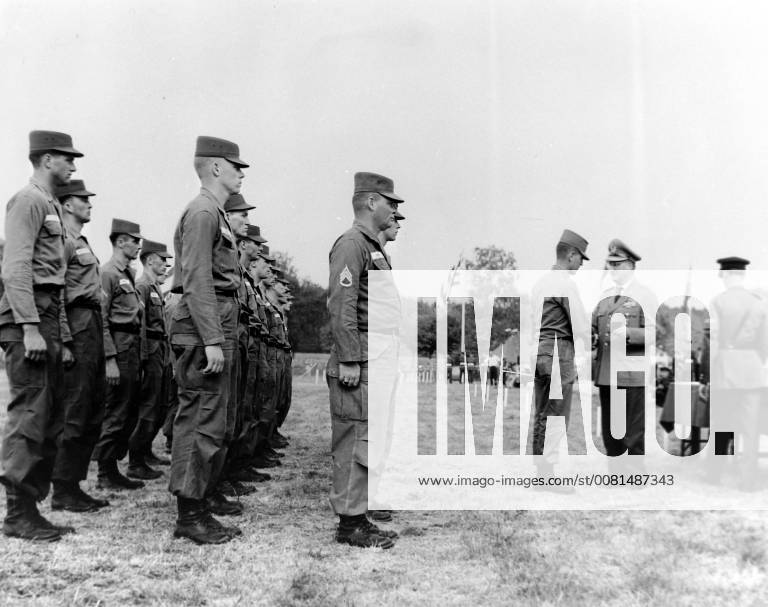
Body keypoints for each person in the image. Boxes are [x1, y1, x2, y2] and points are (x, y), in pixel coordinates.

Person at [0, 130, 82, 541]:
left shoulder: (49, 204)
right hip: (27, 319)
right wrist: (29, 327)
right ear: (47, 159)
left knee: (49, 416)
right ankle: (17, 513)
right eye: (67, 158)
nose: (73, 166)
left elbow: (59, 281)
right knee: (31, 413)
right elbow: (14, 269)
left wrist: (61, 336)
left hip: (47, 316)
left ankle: (30, 508)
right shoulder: (28, 201)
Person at [168, 135, 247, 545]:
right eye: (236, 166)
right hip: (204, 327)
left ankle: (199, 501)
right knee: (200, 418)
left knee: (213, 419)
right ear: (216, 167)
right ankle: (190, 513)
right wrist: (212, 339)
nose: (241, 173)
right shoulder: (203, 212)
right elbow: (197, 278)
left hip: (215, 320)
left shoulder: (212, 211)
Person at [326, 171, 402, 549]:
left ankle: (359, 515)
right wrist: (350, 359)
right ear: (371, 201)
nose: (393, 209)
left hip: (378, 353)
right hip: (363, 357)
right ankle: (350, 524)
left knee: (369, 436)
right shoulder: (352, 244)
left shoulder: (372, 245)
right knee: (356, 436)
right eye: (390, 201)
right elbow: (342, 306)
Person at [51, 179, 109, 512]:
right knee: (75, 408)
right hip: (76, 323)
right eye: (83, 199)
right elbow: (57, 293)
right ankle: (62, 489)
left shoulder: (83, 241)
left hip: (92, 324)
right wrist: (65, 339)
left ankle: (73, 484)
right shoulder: (65, 242)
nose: (89, 204)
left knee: (92, 407)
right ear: (67, 204)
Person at [699, 257, 768, 488]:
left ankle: (715, 473)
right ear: (743, 275)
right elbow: (764, 344)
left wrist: (706, 375)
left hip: (725, 370)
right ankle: (748, 480)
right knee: (750, 428)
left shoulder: (717, 302)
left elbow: (712, 342)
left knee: (722, 425)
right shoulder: (759, 303)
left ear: (726, 276)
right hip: (752, 372)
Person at [529, 229, 589, 481]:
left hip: (540, 349)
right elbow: (580, 324)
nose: (580, 264)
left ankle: (542, 471)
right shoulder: (565, 283)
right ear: (571, 255)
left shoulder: (541, 282)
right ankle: (547, 475)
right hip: (559, 350)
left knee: (542, 412)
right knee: (557, 414)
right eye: (580, 259)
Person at [92, 218, 145, 489]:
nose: (138, 245)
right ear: (121, 241)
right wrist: (110, 359)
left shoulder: (128, 275)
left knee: (129, 411)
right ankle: (104, 472)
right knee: (116, 410)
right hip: (119, 346)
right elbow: (101, 318)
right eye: (135, 240)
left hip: (133, 347)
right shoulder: (108, 273)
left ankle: (112, 467)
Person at [592, 239, 656, 457]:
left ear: (630, 265)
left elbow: (654, 332)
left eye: (617, 264)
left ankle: (635, 474)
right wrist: (591, 337)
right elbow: (594, 328)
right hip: (607, 372)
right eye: (610, 264)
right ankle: (616, 472)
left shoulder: (644, 295)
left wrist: (629, 334)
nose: (613, 269)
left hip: (631, 373)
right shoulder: (604, 297)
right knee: (611, 429)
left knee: (633, 429)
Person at [132, 239, 173, 476]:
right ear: (149, 260)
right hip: (151, 349)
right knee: (148, 406)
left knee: (158, 405)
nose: (166, 264)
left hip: (161, 349)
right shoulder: (143, 286)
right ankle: (136, 460)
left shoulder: (154, 286)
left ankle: (145, 451)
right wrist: (145, 357)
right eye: (162, 260)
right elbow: (142, 323)